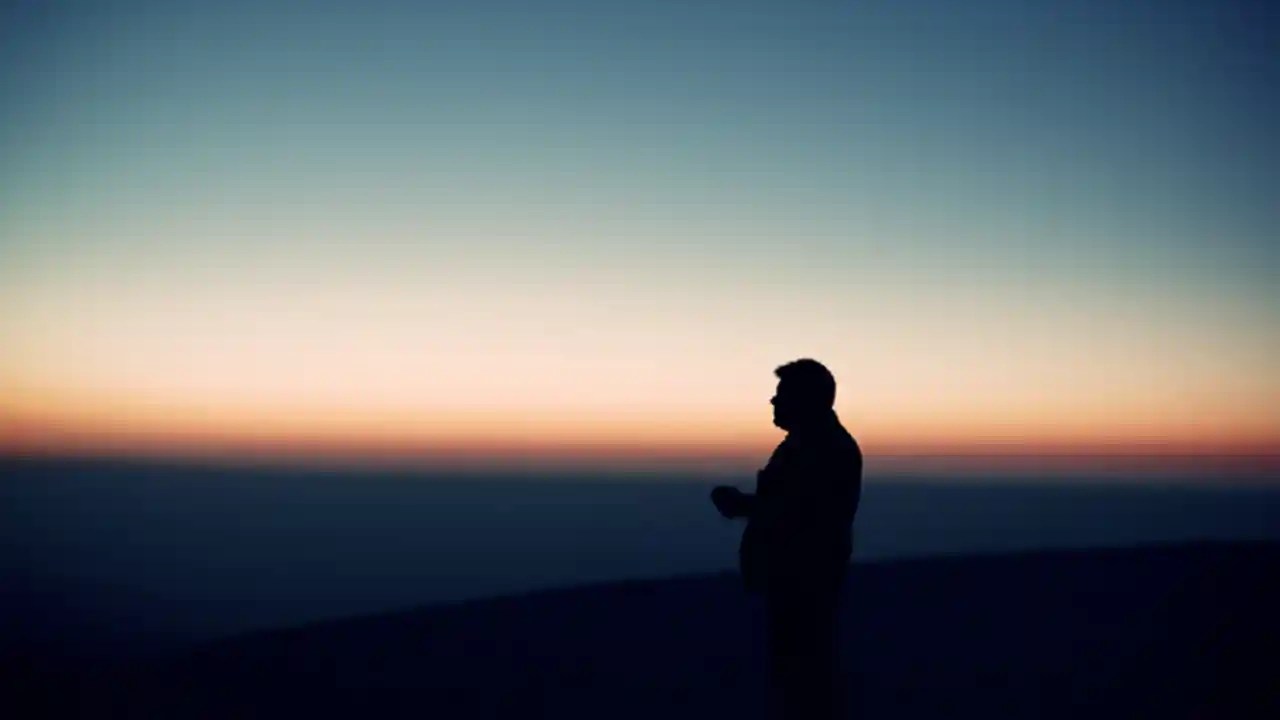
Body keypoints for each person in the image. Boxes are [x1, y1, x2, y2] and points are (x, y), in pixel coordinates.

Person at [711, 359, 862, 719]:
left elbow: (801, 514)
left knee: (803, 687)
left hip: (804, 587)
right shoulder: (807, 445)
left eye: (781, 395)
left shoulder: (822, 449)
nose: (773, 402)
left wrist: (741, 505)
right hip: (796, 586)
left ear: (805, 400)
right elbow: (790, 505)